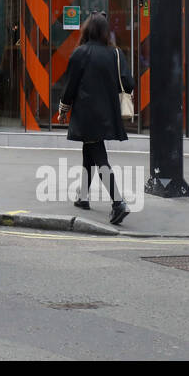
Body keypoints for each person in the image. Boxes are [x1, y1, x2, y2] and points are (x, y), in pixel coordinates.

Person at [57, 12, 136, 226]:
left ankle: (118, 202)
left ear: (87, 30)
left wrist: (63, 109)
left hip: (87, 114)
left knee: (99, 158)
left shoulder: (80, 53)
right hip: (108, 113)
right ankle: (83, 197)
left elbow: (70, 86)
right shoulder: (115, 53)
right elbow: (128, 83)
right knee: (89, 152)